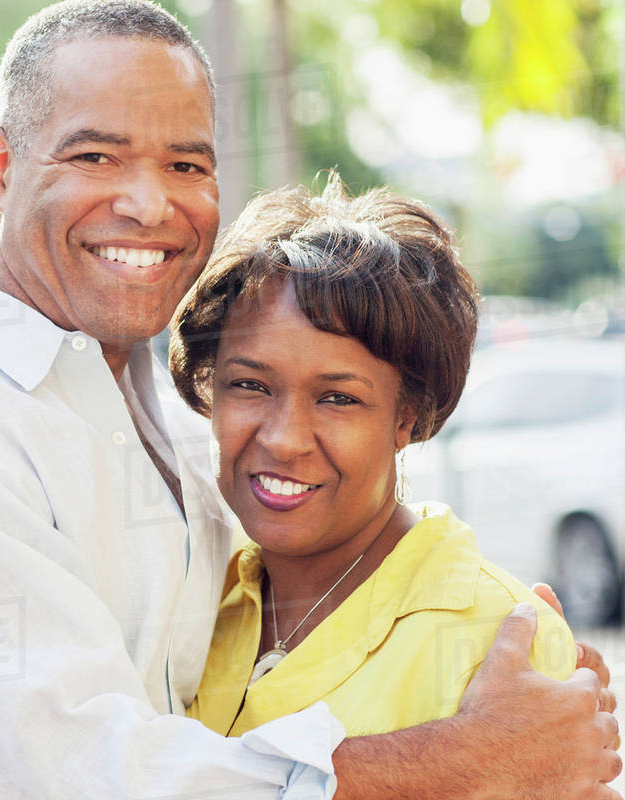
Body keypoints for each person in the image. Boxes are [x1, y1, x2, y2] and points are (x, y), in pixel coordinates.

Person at [0, 1, 621, 797]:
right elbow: (95, 777)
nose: (147, 202)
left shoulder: (156, 430)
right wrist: (470, 758)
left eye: (186, 163)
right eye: (95, 155)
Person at [172, 175, 577, 742]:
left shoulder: (498, 638)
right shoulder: (188, 595)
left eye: (338, 398)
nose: (285, 439)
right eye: (251, 386)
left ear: (406, 415)